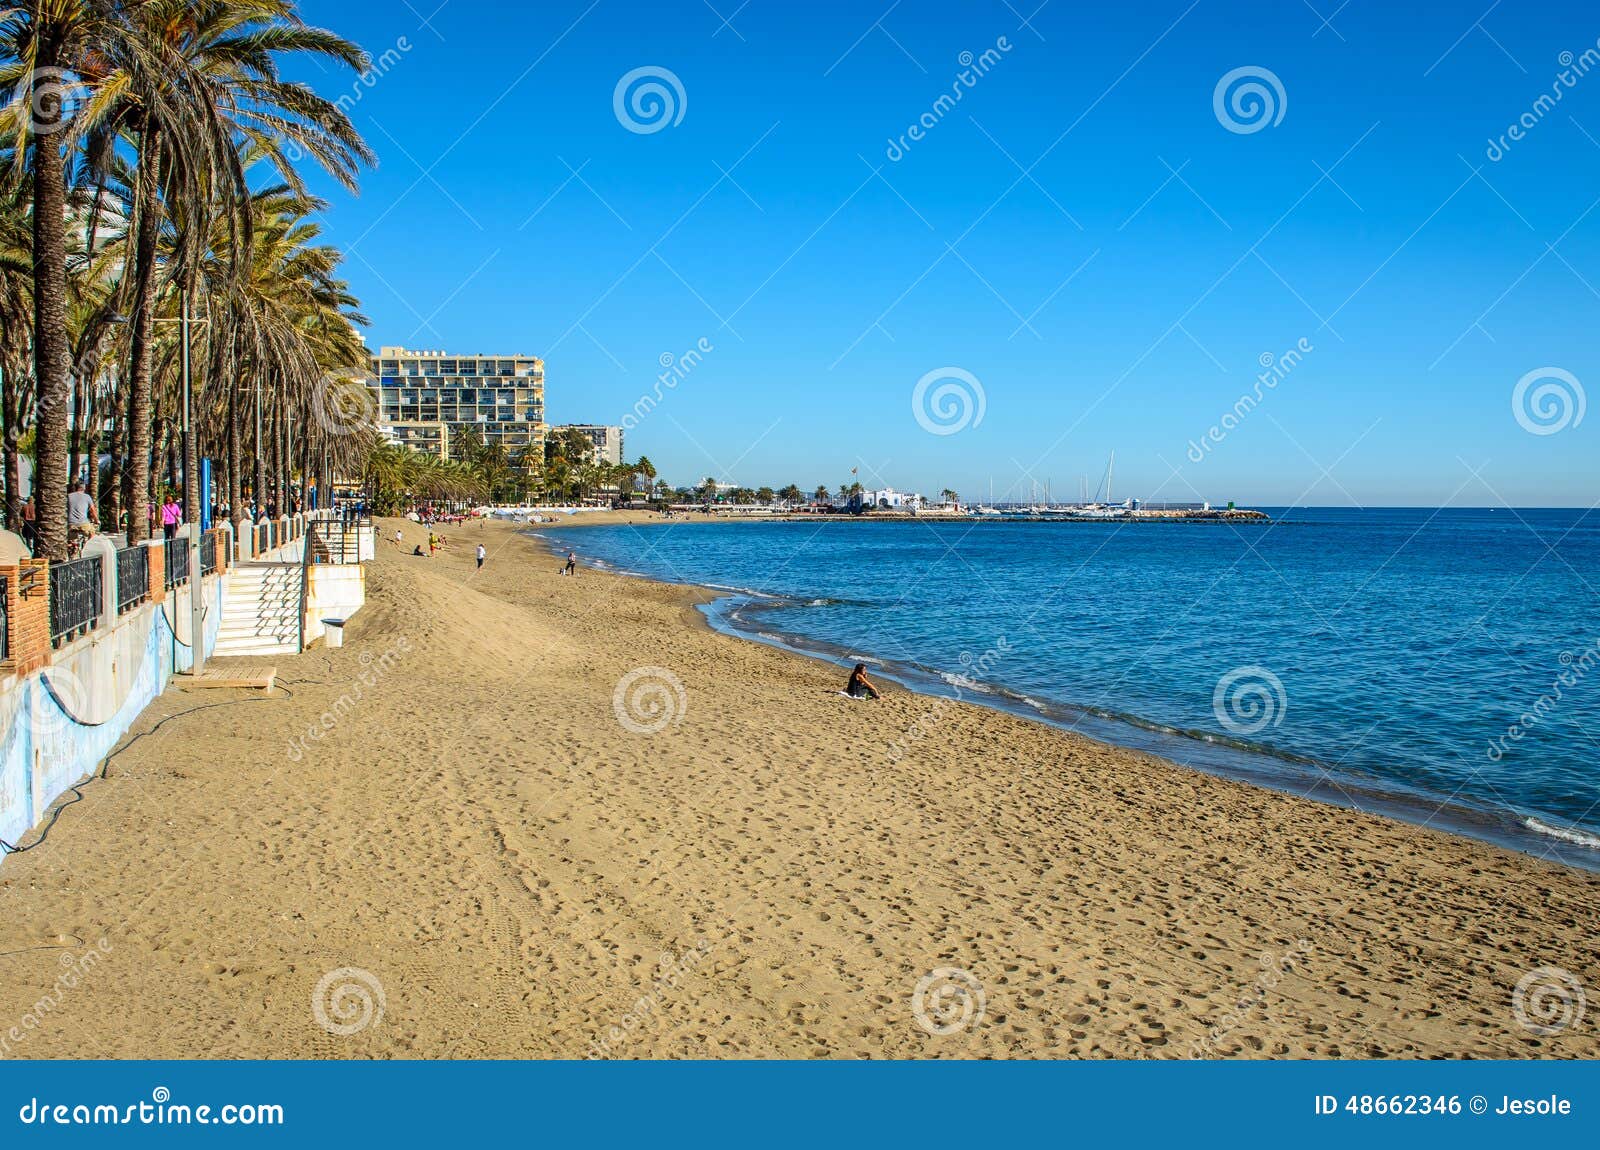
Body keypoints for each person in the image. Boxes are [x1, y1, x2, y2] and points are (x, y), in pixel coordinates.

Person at [67, 480, 98, 550]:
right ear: (84, 488)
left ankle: (71, 546)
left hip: (71, 523)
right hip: (83, 523)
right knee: (92, 533)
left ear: (75, 488)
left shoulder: (69, 496)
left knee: (69, 539)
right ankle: (88, 548)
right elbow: (93, 511)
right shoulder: (87, 497)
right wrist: (96, 520)